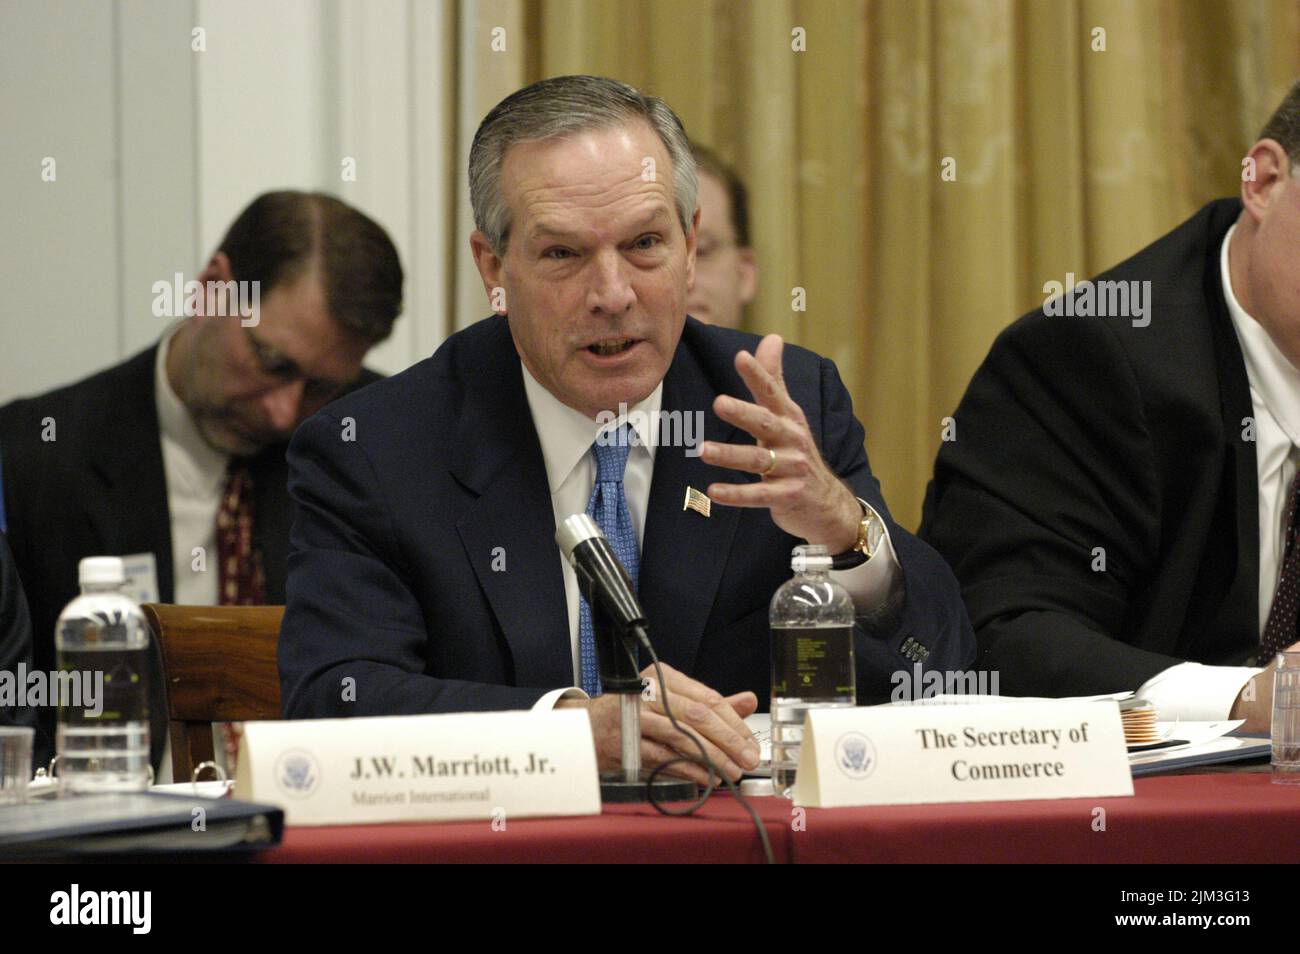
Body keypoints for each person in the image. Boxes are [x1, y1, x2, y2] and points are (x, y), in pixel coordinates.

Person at [279, 75, 973, 786]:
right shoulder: (377, 448)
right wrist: (567, 730)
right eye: (562, 255)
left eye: (645, 244)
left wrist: (842, 529)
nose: (612, 295)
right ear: (494, 267)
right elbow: (333, 701)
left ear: (691, 242)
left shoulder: (779, 402)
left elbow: (937, 670)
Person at [920, 81, 1300, 733]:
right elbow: (996, 637)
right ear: (1265, 181)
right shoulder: (1088, 359)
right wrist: (1247, 699)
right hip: (1125, 819)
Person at [0, 190, 404, 771]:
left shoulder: (372, 437)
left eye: (321, 386)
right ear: (214, 287)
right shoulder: (37, 455)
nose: (285, 414)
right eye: (273, 362)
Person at [685, 143, 757, 330]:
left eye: (701, 250)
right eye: (647, 245)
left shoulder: (804, 360)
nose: (683, 278)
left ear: (745, 274)